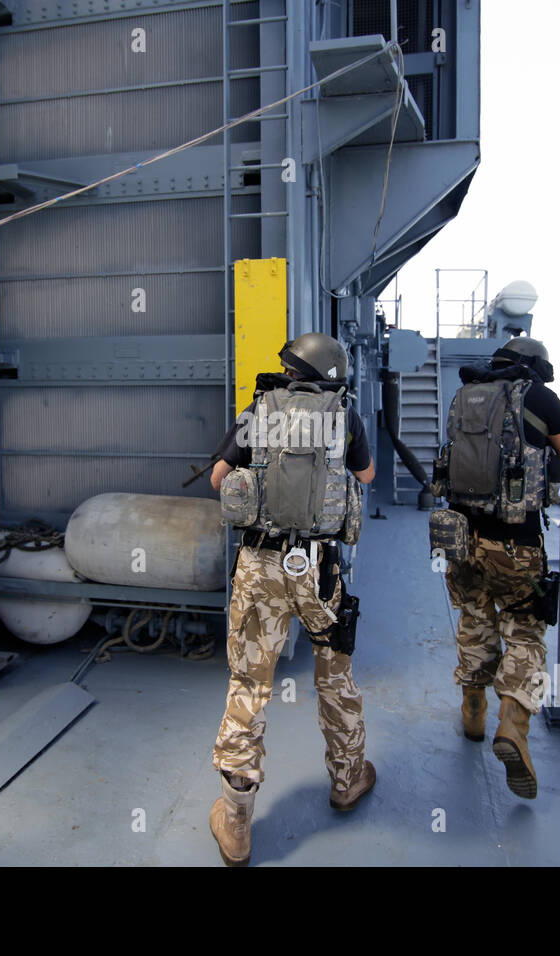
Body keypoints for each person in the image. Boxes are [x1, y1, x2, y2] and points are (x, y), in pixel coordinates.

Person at [206, 332, 376, 866]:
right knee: (335, 675)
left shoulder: (258, 410)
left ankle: (236, 820)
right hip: (320, 569)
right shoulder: (343, 414)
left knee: (249, 683)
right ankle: (347, 781)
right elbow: (365, 475)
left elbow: (218, 478)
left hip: (260, 565)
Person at [440, 337, 560, 799]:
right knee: (525, 629)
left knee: (474, 618)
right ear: (534, 367)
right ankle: (513, 725)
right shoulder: (538, 396)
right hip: (516, 541)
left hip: (462, 536)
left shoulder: (465, 395)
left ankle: (473, 714)